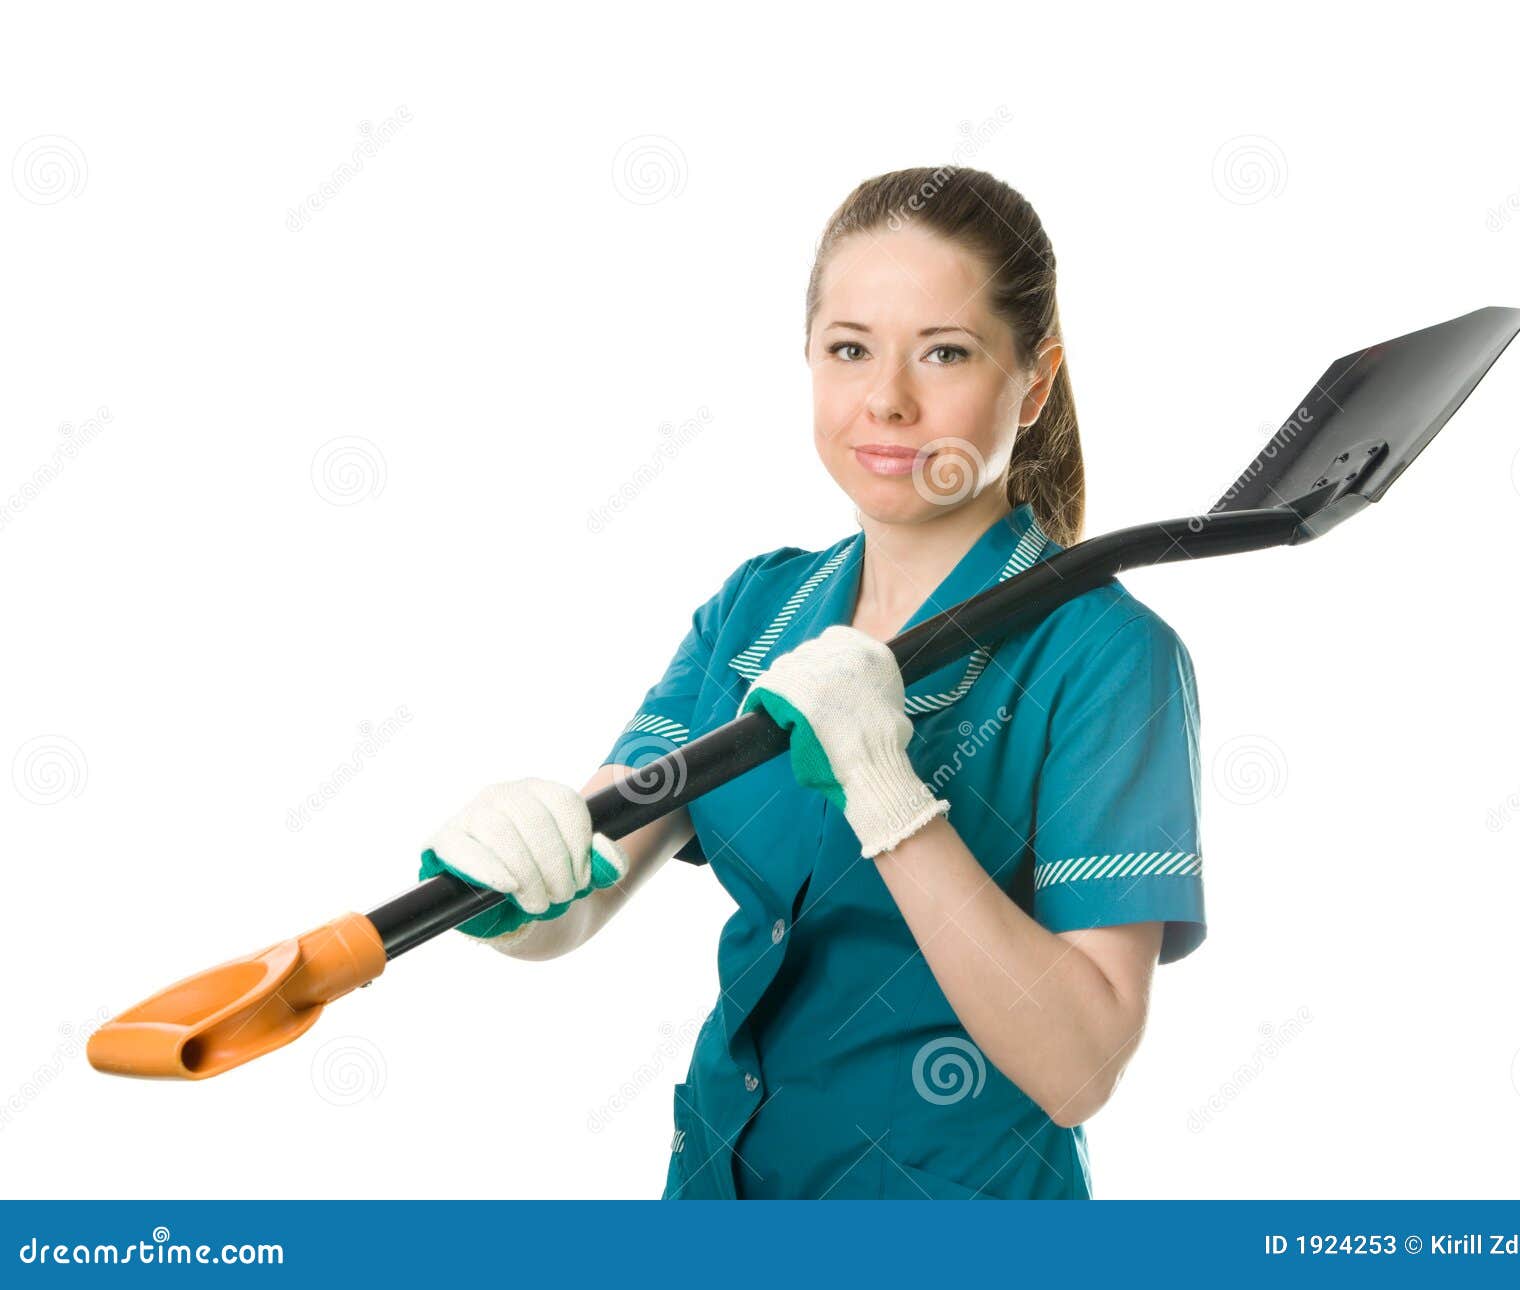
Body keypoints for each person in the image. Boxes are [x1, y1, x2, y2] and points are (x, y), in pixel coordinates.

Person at [419, 166, 1205, 1200]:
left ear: (1037, 375)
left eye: (946, 352)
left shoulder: (1106, 656)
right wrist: (513, 879)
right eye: (849, 350)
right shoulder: (757, 609)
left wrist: (890, 794)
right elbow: (585, 891)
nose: (886, 400)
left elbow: (1079, 1068)